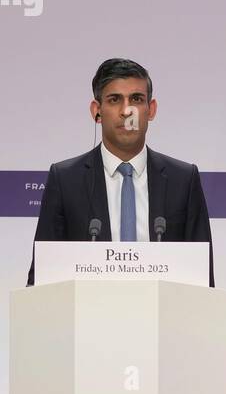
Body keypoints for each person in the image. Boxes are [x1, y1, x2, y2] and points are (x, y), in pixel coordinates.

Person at [27, 57, 213, 286]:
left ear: (151, 109)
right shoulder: (65, 180)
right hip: (88, 318)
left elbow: (202, 280)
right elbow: (42, 279)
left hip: (165, 318)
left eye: (136, 99)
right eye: (114, 100)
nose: (127, 111)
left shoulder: (183, 180)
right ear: (97, 111)